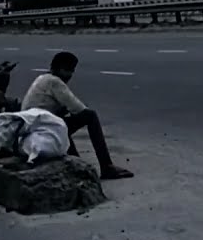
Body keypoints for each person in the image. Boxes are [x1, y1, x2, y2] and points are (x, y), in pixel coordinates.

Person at [21, 52, 134, 180]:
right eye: (69, 71)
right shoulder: (54, 82)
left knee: (63, 121)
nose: (70, 75)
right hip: (42, 130)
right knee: (90, 116)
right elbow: (78, 109)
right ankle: (106, 166)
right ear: (62, 70)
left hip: (34, 128)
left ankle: (76, 161)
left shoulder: (42, 79)